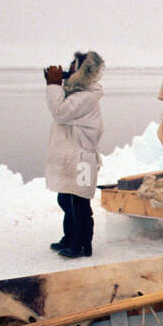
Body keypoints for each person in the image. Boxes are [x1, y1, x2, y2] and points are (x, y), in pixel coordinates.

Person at [45, 51, 104, 259]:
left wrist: (53, 86)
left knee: (80, 203)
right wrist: (57, 85)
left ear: (82, 72)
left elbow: (60, 112)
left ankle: (82, 244)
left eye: (73, 67)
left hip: (85, 160)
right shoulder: (77, 94)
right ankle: (70, 237)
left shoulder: (86, 97)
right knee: (66, 197)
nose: (68, 70)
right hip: (76, 158)